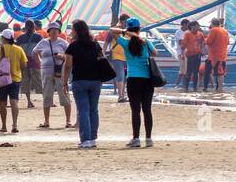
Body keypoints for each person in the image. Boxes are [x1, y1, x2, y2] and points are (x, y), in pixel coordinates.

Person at [63, 20, 105, 149]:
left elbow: (68, 65)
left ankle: (85, 139)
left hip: (80, 80)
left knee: (83, 110)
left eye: (73, 30)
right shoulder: (95, 45)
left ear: (76, 31)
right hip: (95, 80)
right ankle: (92, 138)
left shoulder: (73, 46)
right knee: (94, 109)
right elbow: (101, 60)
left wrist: (64, 82)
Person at [115, 18, 155, 147]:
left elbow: (112, 31)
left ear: (128, 29)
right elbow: (155, 52)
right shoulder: (146, 42)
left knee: (135, 110)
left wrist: (126, 32)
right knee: (147, 110)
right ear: (139, 29)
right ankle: (149, 139)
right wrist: (136, 35)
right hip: (148, 79)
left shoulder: (126, 43)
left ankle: (136, 138)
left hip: (133, 80)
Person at [35, 22, 72, 129]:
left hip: (60, 72)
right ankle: (46, 121)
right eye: (52, 30)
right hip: (46, 72)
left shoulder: (63, 43)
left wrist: (62, 56)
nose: (54, 31)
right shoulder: (43, 42)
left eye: (56, 30)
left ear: (59, 32)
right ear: (49, 32)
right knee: (47, 95)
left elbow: (70, 56)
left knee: (64, 94)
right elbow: (35, 52)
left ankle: (68, 121)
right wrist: (40, 64)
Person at [0, 29, 26, 134]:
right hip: (15, 79)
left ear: (4, 38)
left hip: (2, 79)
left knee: (2, 103)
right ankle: (14, 125)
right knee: (14, 101)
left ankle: (4, 126)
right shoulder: (19, 49)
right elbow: (24, 65)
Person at [16, 19, 43, 109]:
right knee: (39, 81)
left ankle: (29, 101)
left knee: (25, 82)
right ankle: (47, 100)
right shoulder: (38, 37)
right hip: (35, 61)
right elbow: (42, 50)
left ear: (26, 27)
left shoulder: (20, 38)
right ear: (34, 27)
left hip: (24, 63)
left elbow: (17, 50)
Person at [204, 18, 229, 93]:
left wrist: (204, 39)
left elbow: (208, 41)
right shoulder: (225, 31)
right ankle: (218, 88)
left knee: (216, 73)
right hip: (223, 55)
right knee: (219, 72)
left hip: (215, 56)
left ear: (212, 23)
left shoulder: (213, 30)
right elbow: (227, 42)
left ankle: (219, 89)